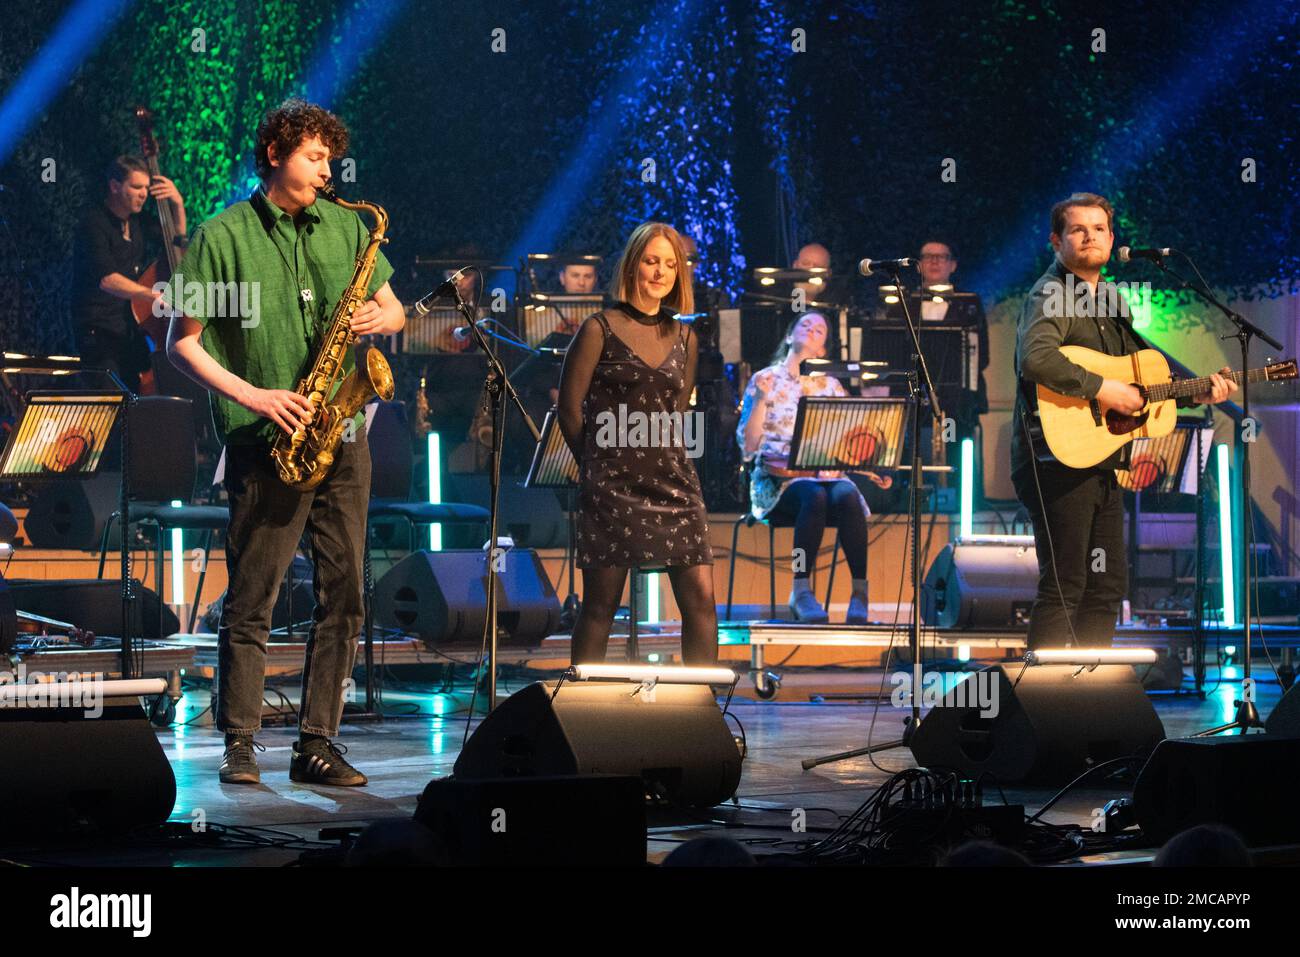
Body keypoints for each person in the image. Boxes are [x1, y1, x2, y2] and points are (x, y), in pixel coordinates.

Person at [166, 99, 405, 785]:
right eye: (313, 156)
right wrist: (258, 396)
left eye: (330, 157)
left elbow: (393, 307)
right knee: (253, 598)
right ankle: (240, 743)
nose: (328, 169)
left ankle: (316, 742)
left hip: (343, 432)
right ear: (274, 154)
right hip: (266, 439)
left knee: (345, 597)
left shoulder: (347, 228)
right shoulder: (222, 235)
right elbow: (179, 343)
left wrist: (379, 313)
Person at [1011, 192, 1234, 650]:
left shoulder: (1112, 300)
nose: (1089, 236)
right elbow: (1034, 360)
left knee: (1107, 587)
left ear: (1112, 240)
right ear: (1057, 241)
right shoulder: (1050, 294)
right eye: (1077, 229)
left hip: (1102, 456)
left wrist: (1197, 393)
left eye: (1098, 229)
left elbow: (1138, 384)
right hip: (1053, 457)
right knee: (1066, 585)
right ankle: (1042, 706)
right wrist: (1100, 388)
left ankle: (1087, 697)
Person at [557, 222, 717, 665]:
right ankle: (582, 715)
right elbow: (570, 412)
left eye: (670, 263)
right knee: (600, 608)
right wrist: (597, 467)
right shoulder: (598, 328)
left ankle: (702, 713)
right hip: (612, 488)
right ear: (633, 265)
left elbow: (677, 414)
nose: (660, 271)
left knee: (701, 600)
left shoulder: (687, 337)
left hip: (675, 486)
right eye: (652, 261)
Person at [736, 312, 889, 624]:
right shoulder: (764, 379)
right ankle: (801, 590)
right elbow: (749, 447)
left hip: (827, 476)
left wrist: (873, 466)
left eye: (820, 330)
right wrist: (762, 400)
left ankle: (860, 593)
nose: (811, 329)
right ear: (790, 337)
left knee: (846, 493)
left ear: (822, 350)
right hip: (779, 481)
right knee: (813, 495)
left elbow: (852, 438)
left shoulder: (830, 384)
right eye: (805, 324)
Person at [71, 154, 187, 392]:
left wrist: (177, 204)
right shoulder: (93, 223)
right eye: (136, 187)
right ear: (114, 186)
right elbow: (107, 279)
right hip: (98, 332)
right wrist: (152, 295)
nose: (144, 194)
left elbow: (175, 245)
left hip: (128, 331)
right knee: (109, 400)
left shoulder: (137, 221)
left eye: (146, 187)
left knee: (139, 394)